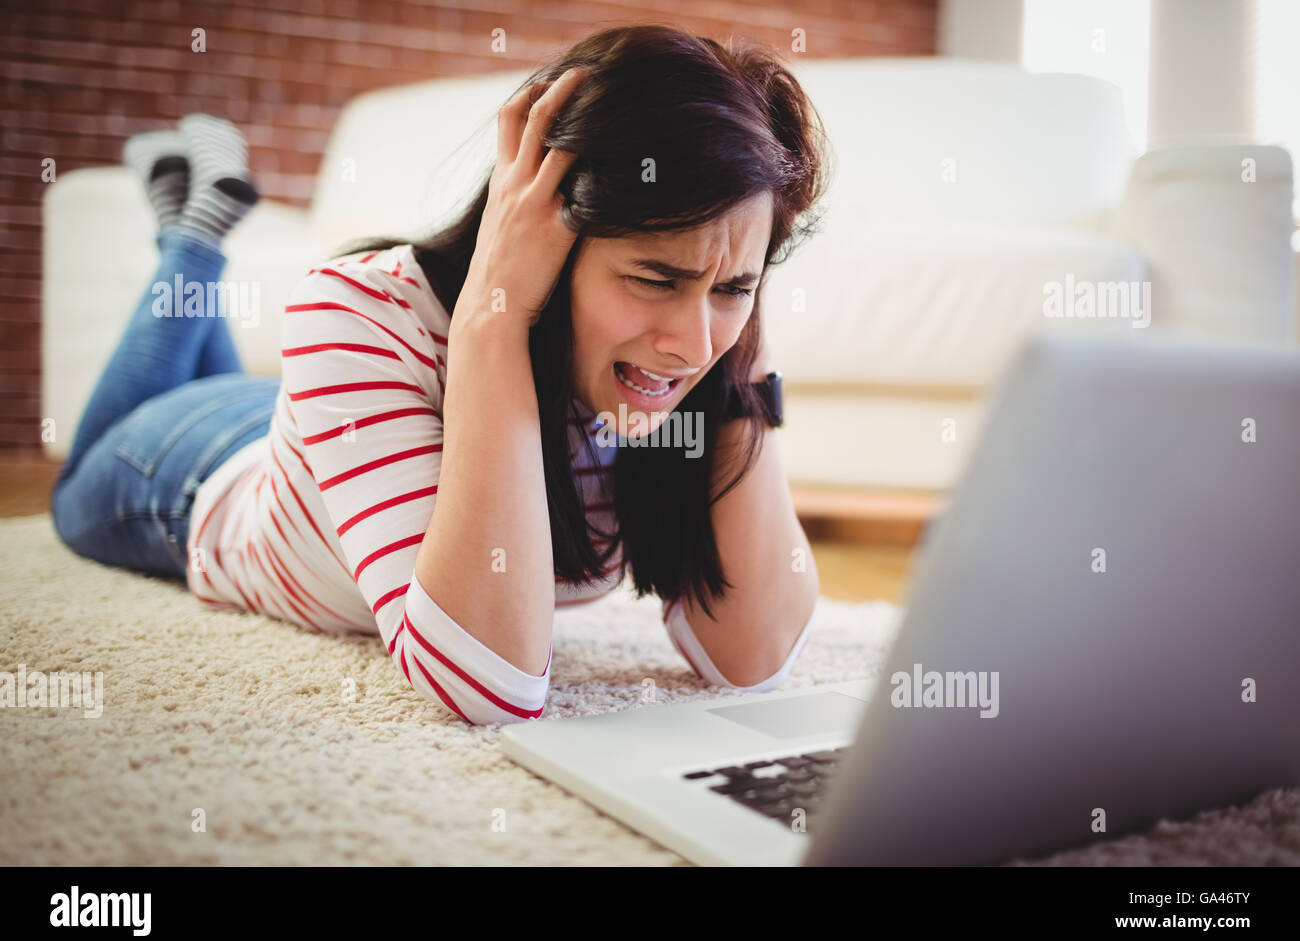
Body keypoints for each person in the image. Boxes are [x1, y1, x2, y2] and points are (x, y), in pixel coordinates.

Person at [51, 25, 830, 726]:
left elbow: (751, 660)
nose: (691, 345)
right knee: (76, 481)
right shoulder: (355, 308)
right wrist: (496, 314)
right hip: (189, 480)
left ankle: (186, 225)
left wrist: (744, 366)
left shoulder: (708, 352)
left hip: (342, 429)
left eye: (734, 287)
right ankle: (191, 242)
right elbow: (488, 686)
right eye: (655, 280)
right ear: (544, 234)